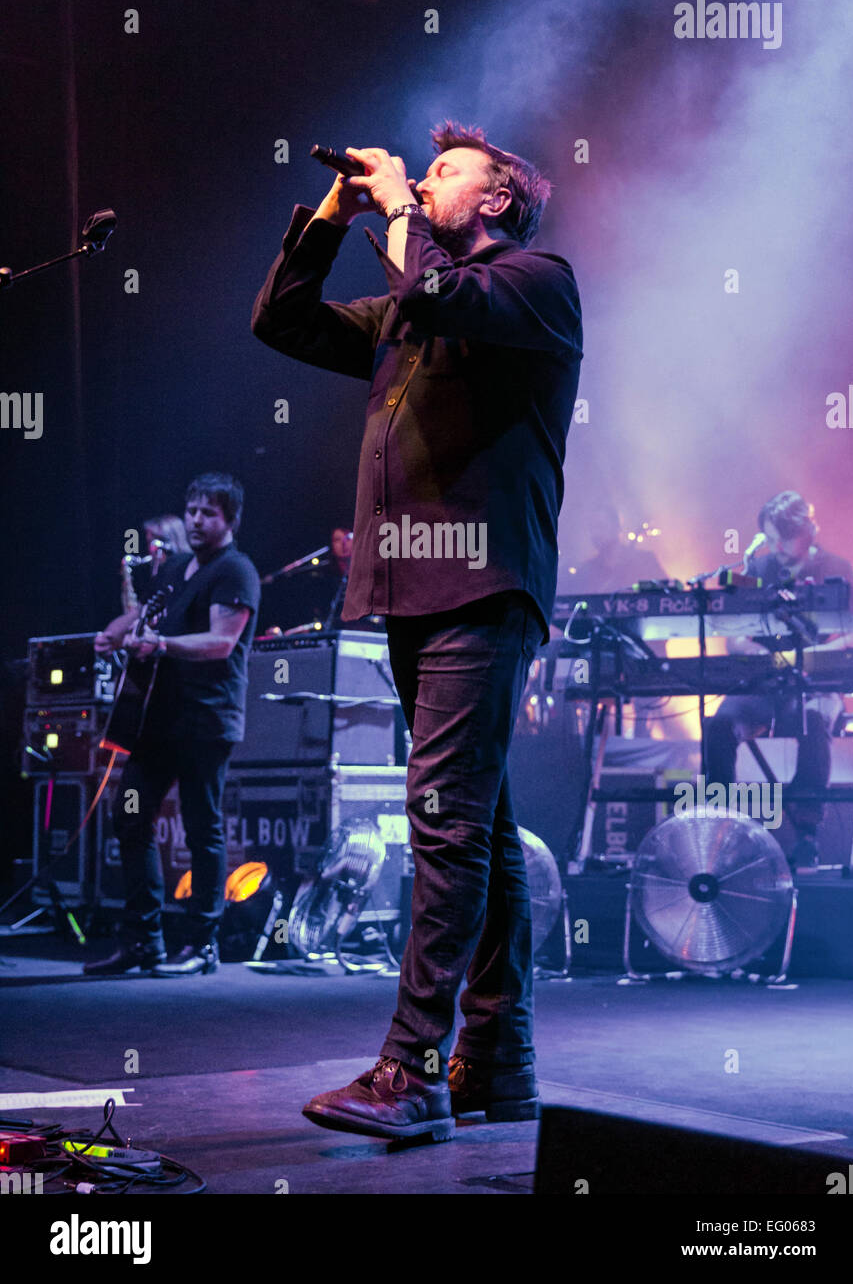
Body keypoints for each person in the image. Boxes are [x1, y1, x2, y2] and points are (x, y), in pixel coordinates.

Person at [252, 120, 582, 1140]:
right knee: (476, 831)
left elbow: (440, 291)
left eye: (446, 172)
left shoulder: (535, 280)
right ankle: (497, 1063)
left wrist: (397, 208)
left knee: (441, 823)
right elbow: (282, 322)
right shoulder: (413, 310)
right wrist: (328, 218)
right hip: (410, 587)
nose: (422, 178)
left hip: (481, 586)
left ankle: (411, 1072)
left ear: (492, 200)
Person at [84, 474, 260, 976]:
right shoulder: (179, 566)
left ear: (230, 520)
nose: (197, 520)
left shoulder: (235, 571)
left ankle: (202, 944)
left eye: (209, 513)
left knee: (202, 828)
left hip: (206, 720)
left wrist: (161, 645)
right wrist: (113, 633)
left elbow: (221, 642)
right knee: (131, 814)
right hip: (158, 720)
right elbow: (145, 614)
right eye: (192, 510)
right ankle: (144, 939)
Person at [706, 490, 853, 868]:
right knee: (719, 725)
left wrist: (805, 657)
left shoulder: (836, 567)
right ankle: (721, 829)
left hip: (816, 682)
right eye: (769, 537)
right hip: (765, 685)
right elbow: (735, 636)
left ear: (808, 530)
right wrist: (759, 652)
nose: (774, 545)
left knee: (814, 722)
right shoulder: (758, 571)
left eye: (782, 537)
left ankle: (807, 833)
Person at [570, 504, 667, 593]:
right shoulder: (586, 570)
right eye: (592, 528)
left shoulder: (646, 561)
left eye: (601, 526)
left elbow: (668, 596)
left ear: (617, 528)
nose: (596, 534)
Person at [120, 514, 190, 613]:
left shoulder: (187, 571)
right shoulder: (159, 578)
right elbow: (137, 613)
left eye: (152, 543)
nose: (150, 550)